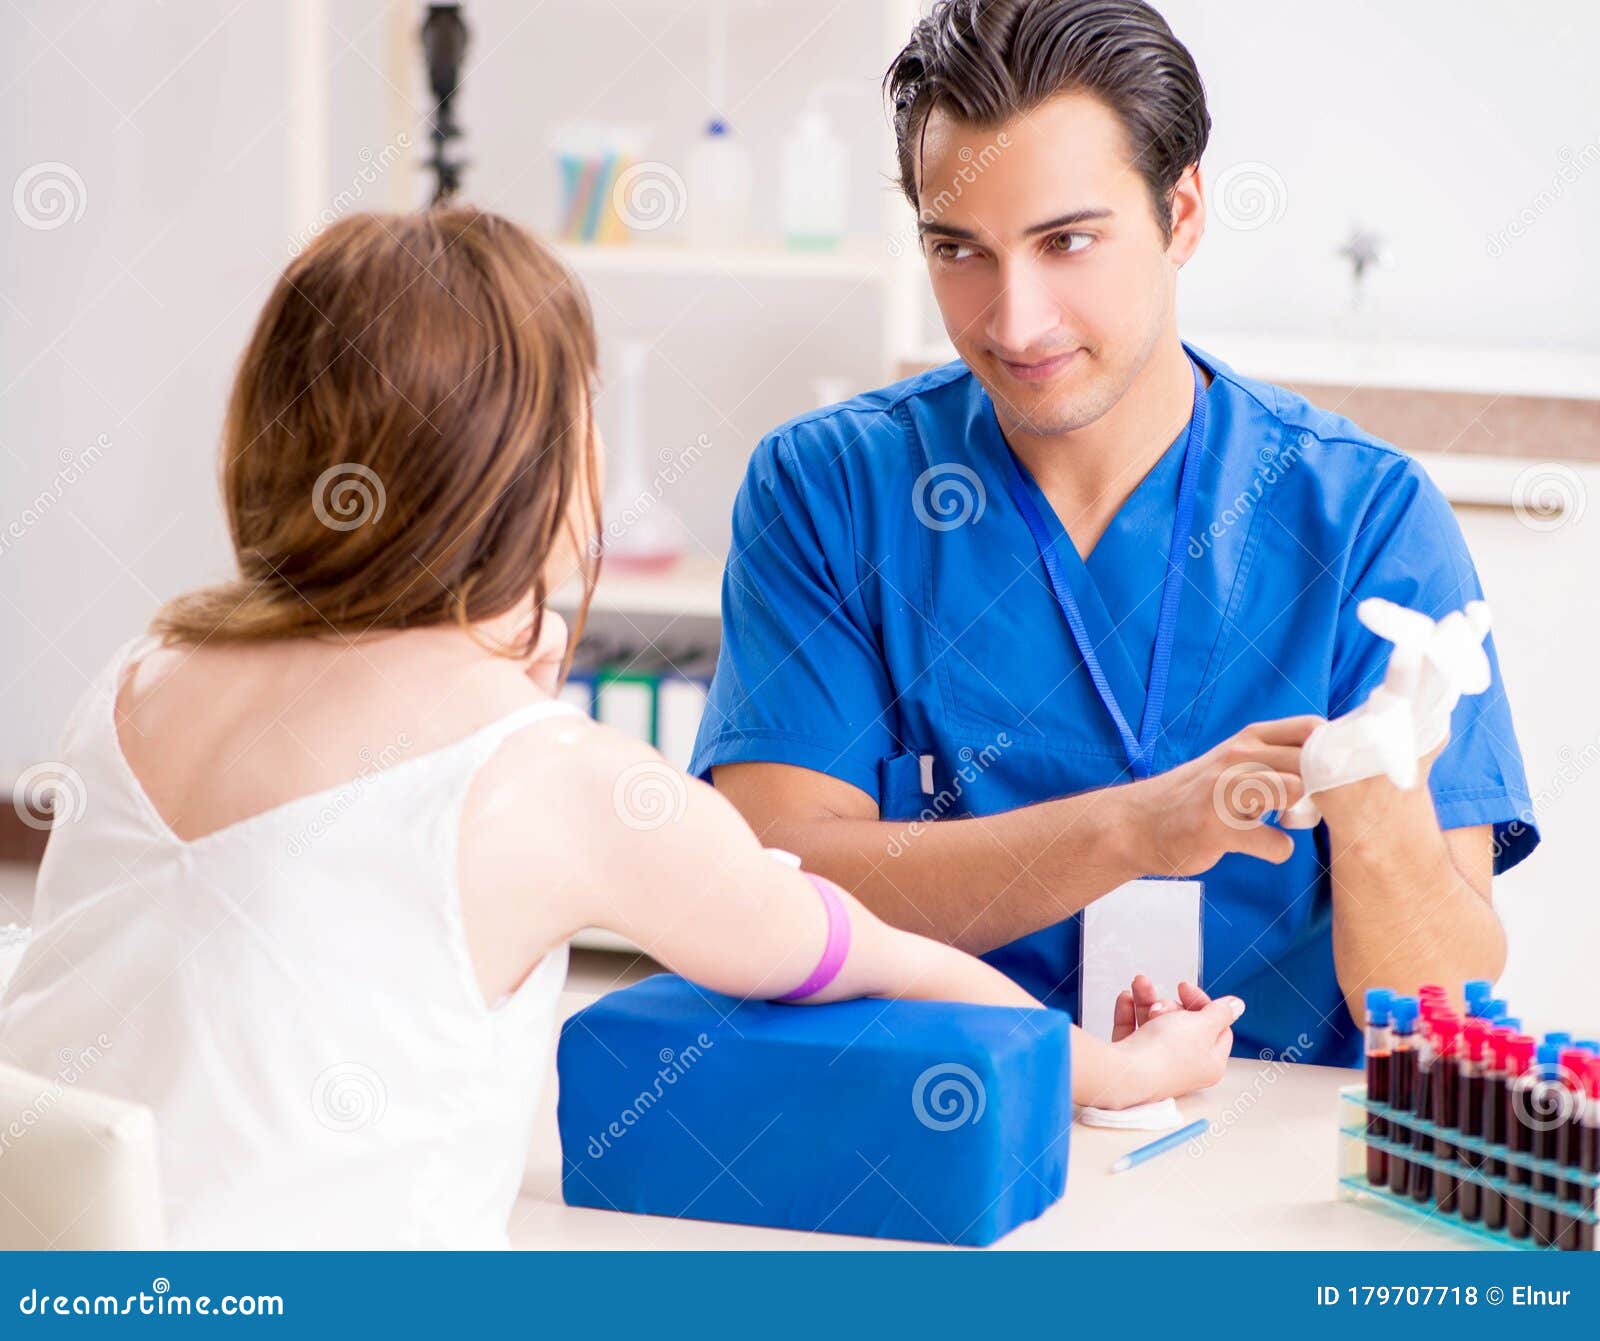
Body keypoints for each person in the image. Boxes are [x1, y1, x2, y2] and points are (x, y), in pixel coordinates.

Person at [0, 208, 1240, 1249]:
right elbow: (857, 950)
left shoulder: (139, 674)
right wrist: (1121, 1070)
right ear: (550, 466)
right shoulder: (556, 782)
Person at [691, 0, 1537, 1067]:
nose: (1013, 320)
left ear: (1180, 214)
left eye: (1067, 242)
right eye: (959, 251)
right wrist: (1135, 829)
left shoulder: (1364, 517)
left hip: (1257, 1160)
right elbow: (774, 893)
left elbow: (1433, 1006)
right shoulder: (832, 493)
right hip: (940, 1136)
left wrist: (1375, 808)